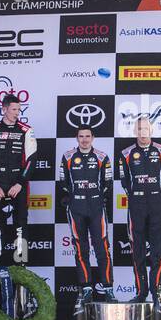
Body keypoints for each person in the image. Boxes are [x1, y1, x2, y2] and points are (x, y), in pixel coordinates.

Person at [116, 115, 161, 309]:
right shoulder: (125, 153)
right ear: (134, 132)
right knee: (138, 252)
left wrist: (158, 196)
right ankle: (141, 292)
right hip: (137, 206)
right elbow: (124, 182)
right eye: (139, 129)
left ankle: (157, 292)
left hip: (157, 205)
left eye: (146, 129)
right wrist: (136, 196)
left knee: (159, 252)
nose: (142, 132)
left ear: (152, 131)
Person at [59, 126, 114, 309]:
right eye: (81, 136)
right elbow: (63, 181)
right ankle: (87, 287)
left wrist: (100, 198)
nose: (84, 140)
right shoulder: (67, 157)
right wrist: (69, 197)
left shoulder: (102, 156)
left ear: (93, 138)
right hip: (77, 208)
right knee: (80, 249)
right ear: (76, 138)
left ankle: (108, 288)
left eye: (87, 136)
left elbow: (108, 182)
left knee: (102, 248)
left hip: (96, 207)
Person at [0, 93, 36, 266]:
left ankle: (21, 264)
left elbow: (31, 159)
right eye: (14, 109)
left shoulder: (26, 130)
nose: (17, 113)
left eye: (19, 109)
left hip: (18, 183)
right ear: (4, 109)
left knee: (21, 225)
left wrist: (20, 183)